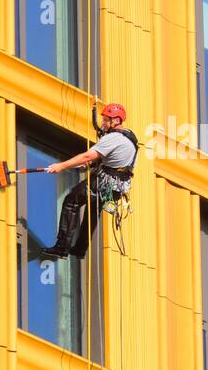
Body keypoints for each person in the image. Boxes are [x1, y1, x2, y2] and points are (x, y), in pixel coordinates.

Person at [41, 103, 137, 259]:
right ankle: (80, 249)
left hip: (103, 182)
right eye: (103, 120)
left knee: (71, 201)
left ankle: (61, 247)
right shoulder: (129, 137)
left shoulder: (113, 138)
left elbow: (87, 156)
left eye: (106, 120)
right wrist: (91, 164)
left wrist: (61, 166)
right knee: (93, 210)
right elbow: (116, 160)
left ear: (116, 121)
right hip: (117, 187)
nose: (103, 123)